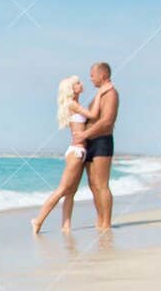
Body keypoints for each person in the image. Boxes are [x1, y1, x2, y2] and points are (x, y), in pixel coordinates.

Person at [31, 76, 97, 236]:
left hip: (80, 151)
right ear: (71, 88)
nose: (81, 84)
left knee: (71, 193)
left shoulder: (76, 104)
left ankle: (66, 225)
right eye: (78, 83)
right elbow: (94, 115)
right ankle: (38, 220)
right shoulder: (72, 104)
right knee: (62, 190)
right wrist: (101, 95)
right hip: (76, 151)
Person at [77, 61, 119, 231]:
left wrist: (85, 133)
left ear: (103, 75)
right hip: (89, 143)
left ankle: (107, 223)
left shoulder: (111, 94)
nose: (90, 78)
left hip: (102, 141)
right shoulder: (100, 94)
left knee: (102, 184)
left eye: (92, 74)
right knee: (93, 184)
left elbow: (107, 121)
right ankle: (100, 219)